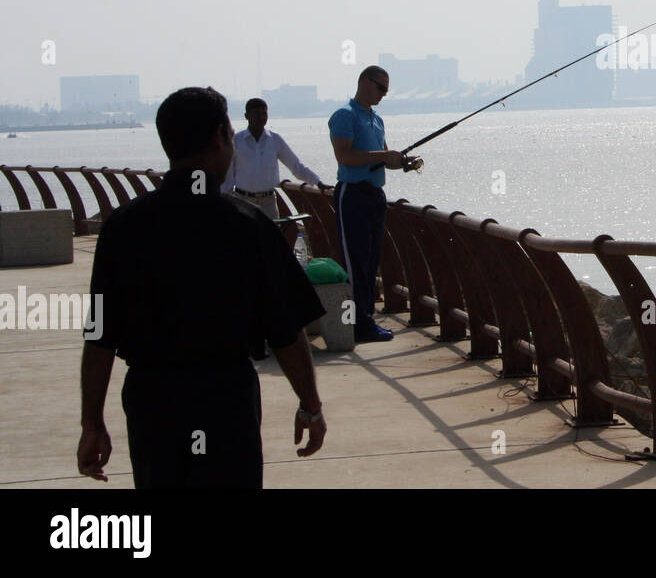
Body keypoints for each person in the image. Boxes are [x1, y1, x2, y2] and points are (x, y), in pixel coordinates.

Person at [77, 86, 328, 488]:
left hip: (152, 401)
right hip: (225, 399)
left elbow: (99, 336)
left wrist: (92, 423)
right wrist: (310, 406)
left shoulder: (124, 227)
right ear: (219, 138)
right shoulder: (249, 226)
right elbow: (285, 331)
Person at [328, 65, 413, 343]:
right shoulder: (344, 115)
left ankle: (365, 321)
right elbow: (345, 156)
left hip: (375, 195)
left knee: (370, 260)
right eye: (380, 88)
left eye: (387, 90)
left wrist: (401, 162)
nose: (383, 94)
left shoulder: (377, 120)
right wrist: (384, 154)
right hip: (352, 194)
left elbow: (380, 159)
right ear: (365, 82)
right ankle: (356, 324)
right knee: (355, 263)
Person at [220, 97, 323, 222]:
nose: (261, 117)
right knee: (245, 239)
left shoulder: (275, 140)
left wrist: (317, 182)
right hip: (243, 200)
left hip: (268, 202)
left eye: (264, 113)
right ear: (246, 116)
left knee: (270, 240)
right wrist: (225, 202)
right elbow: (228, 175)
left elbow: (295, 166)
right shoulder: (236, 140)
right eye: (257, 114)